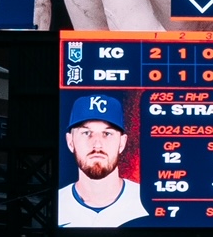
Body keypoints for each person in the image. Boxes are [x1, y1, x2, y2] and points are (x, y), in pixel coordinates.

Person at [57, 93, 147, 227]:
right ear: (70, 142)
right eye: (86, 133)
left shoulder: (146, 203)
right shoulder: (56, 204)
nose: (97, 145)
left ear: (122, 143)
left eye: (107, 134)